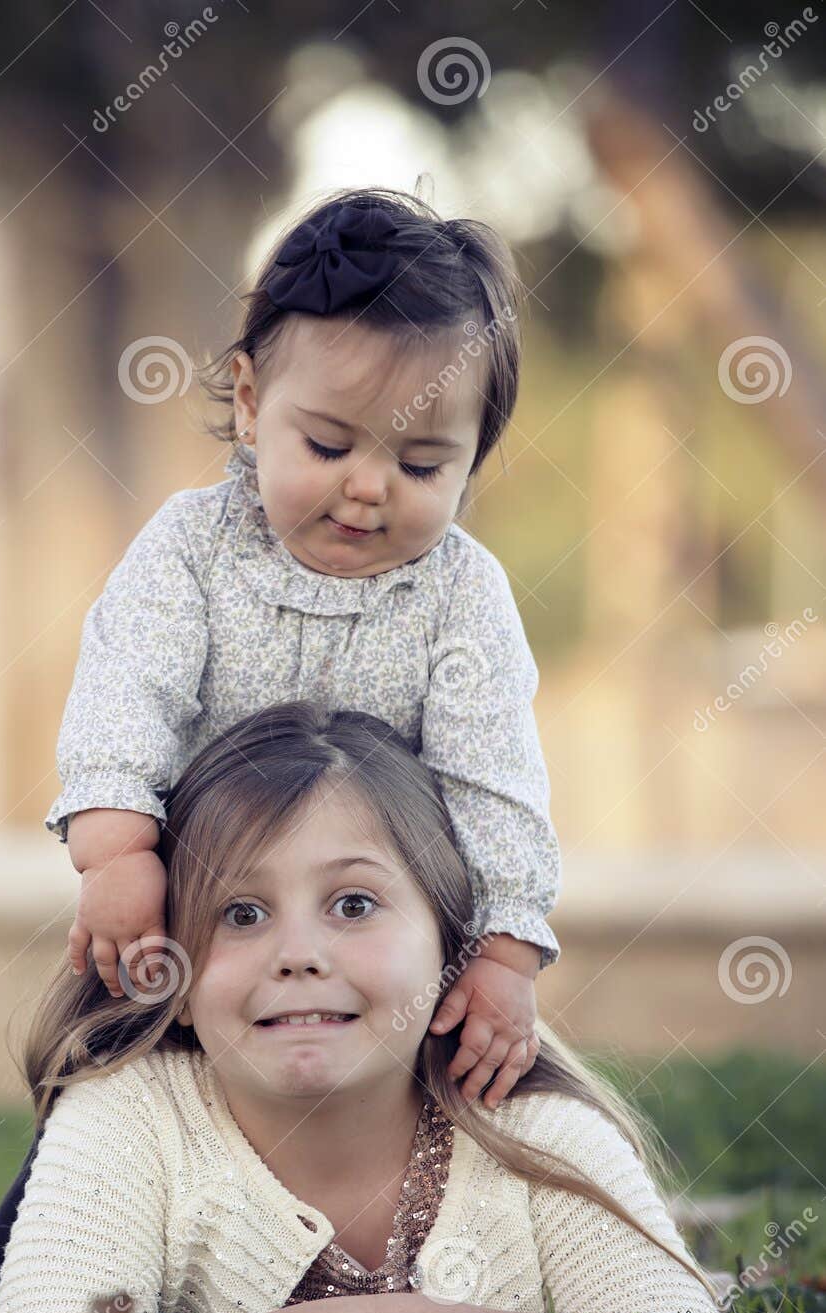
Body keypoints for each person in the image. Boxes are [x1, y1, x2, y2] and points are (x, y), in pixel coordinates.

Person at [0, 701, 742, 1313]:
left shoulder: (527, 1124)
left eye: (352, 905)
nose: (299, 955)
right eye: (240, 914)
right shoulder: (132, 1116)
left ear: (453, 944)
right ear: (167, 974)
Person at [48, 184, 561, 1117]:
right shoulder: (195, 548)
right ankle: (55, 1239)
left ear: (472, 457)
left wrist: (504, 952)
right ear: (250, 405)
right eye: (328, 445)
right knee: (111, 1100)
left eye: (420, 467)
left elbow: (496, 778)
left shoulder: (459, 592)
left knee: (508, 1098)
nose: (368, 489)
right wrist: (117, 853)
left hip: (379, 958)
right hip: (194, 931)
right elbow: (127, 688)